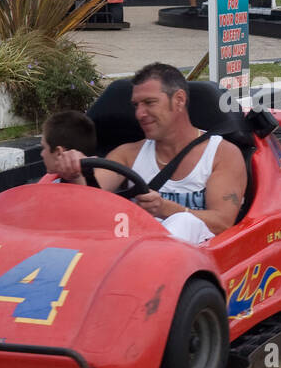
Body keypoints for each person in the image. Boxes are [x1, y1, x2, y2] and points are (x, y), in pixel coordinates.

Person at [52, 63, 246, 245]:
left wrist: (165, 209)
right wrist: (75, 173)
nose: (139, 114)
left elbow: (223, 223)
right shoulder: (127, 154)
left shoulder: (222, 154)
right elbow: (92, 199)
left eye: (149, 103)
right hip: (133, 255)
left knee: (184, 222)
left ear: (179, 100)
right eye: (136, 105)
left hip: (197, 262)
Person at [38, 110, 97, 183]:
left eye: (44, 148)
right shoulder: (99, 179)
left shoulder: (52, 189)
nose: (42, 154)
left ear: (59, 153)